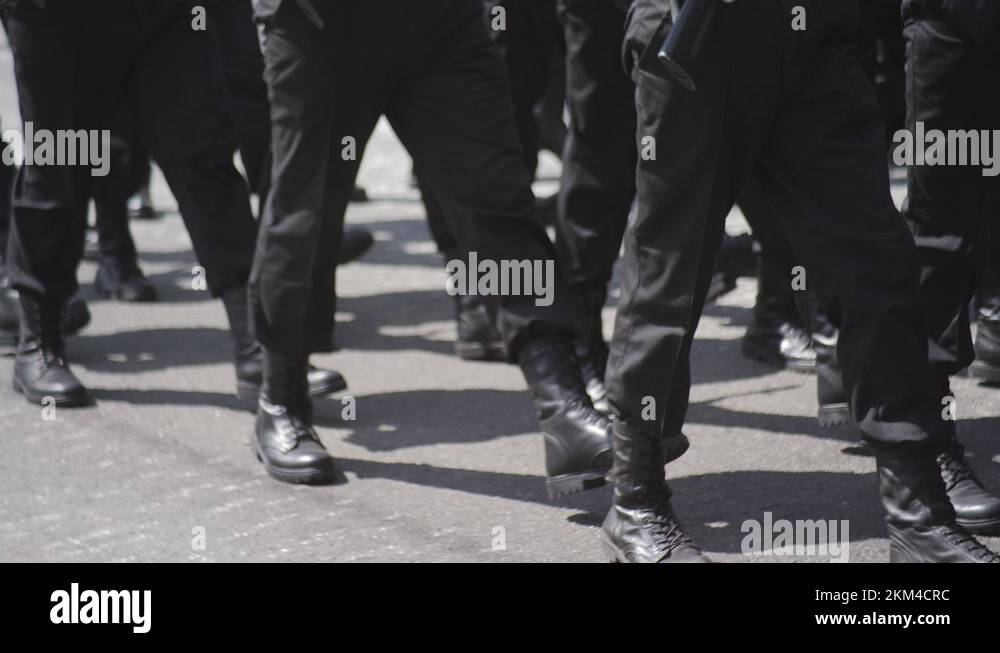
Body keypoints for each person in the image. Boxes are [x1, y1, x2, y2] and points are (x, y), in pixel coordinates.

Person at [601, 0, 999, 563]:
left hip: (811, 32)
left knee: (877, 263)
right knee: (672, 272)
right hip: (700, 30)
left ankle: (917, 512)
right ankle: (637, 499)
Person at [249, 0, 611, 495]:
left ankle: (561, 405)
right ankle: (281, 398)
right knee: (304, 214)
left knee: (496, 199)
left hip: (442, 20)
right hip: (319, 23)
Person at [1, 0, 342, 409]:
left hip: (164, 14)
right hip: (53, 16)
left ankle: (258, 350)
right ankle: (39, 341)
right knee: (62, 163)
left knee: (203, 158)